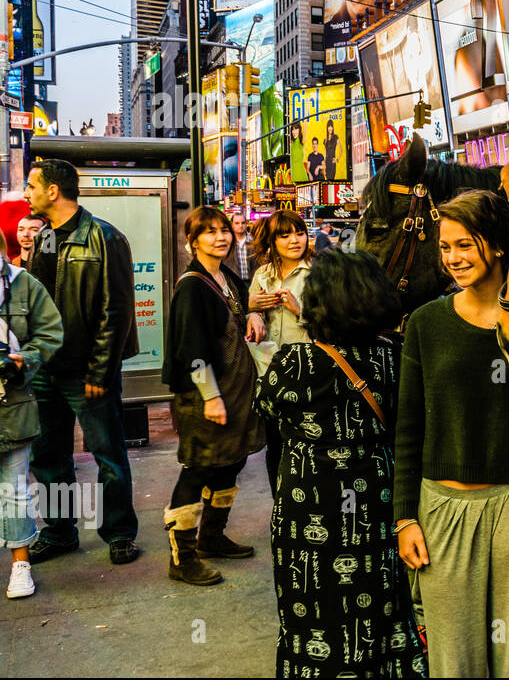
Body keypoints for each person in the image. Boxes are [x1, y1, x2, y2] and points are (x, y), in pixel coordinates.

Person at [394, 189, 509, 678]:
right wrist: (405, 518)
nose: (452, 259)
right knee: (454, 660)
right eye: (445, 248)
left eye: (464, 245)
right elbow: (408, 427)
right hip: (441, 507)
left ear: (497, 245)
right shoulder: (426, 323)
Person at [255, 250, 425, 677]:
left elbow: (267, 408)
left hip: (306, 505)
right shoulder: (397, 355)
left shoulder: (295, 361)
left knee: (312, 605)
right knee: (380, 601)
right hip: (377, 501)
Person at [22, 159, 142, 565]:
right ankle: (59, 532)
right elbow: (36, 304)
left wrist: (100, 370)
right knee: (48, 457)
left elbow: (117, 311)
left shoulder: (104, 237)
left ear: (53, 191)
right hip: (44, 370)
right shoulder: (44, 239)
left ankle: (120, 532)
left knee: (108, 454)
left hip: (86, 371)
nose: (27, 193)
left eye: (32, 186)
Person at [159, 207, 266, 586]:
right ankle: (182, 558)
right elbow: (192, 347)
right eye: (209, 232)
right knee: (199, 468)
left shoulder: (224, 276)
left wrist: (253, 314)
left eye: (224, 231)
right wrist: (210, 397)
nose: (220, 237)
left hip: (234, 393)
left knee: (229, 463)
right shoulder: (192, 286)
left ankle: (211, 537)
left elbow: (240, 308)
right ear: (193, 241)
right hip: (207, 396)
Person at [0, 229, 63, 598]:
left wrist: (27, 357)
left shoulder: (24, 285)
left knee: (13, 488)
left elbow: (50, 333)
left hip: (12, 402)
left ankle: (20, 564)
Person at [247, 210, 314, 487]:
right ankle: (281, 509)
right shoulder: (263, 275)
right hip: (271, 375)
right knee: (276, 446)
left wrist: (300, 310)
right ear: (272, 241)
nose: (295, 240)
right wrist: (252, 312)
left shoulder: (319, 272)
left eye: (299, 232)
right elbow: (246, 310)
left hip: (310, 376)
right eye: (284, 235)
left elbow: (337, 322)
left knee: (309, 446)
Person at [226, 211, 254, 287]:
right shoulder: (227, 244)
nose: (240, 225)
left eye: (243, 223)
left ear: (246, 224)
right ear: (232, 225)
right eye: (237, 223)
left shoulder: (254, 243)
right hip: (233, 284)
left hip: (252, 283)